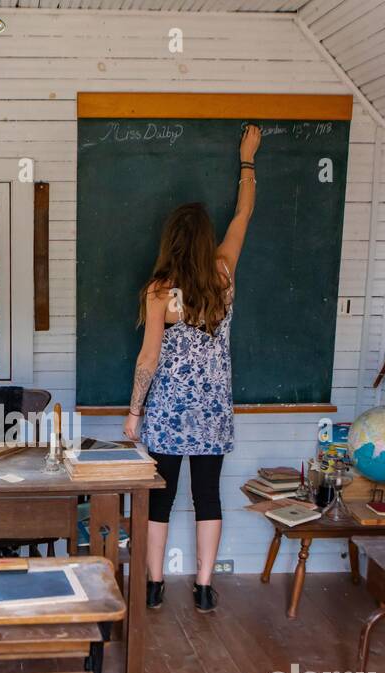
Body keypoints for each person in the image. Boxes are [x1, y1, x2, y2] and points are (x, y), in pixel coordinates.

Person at [124, 125, 260, 612]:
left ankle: (154, 585)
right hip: (214, 412)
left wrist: (134, 413)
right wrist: (247, 159)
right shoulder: (224, 272)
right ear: (205, 240)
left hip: (167, 413)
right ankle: (203, 588)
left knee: (159, 499)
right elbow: (244, 213)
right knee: (208, 496)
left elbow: (148, 358)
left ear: (170, 242)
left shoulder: (160, 291)